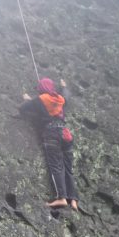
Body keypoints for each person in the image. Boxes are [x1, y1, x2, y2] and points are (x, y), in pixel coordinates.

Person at [20, 77, 79, 211]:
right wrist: (64, 86)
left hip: (52, 134)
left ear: (41, 88)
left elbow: (24, 108)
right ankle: (73, 199)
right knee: (68, 168)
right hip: (66, 134)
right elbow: (66, 97)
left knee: (56, 166)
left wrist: (27, 99)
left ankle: (61, 198)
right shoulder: (59, 98)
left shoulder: (41, 99)